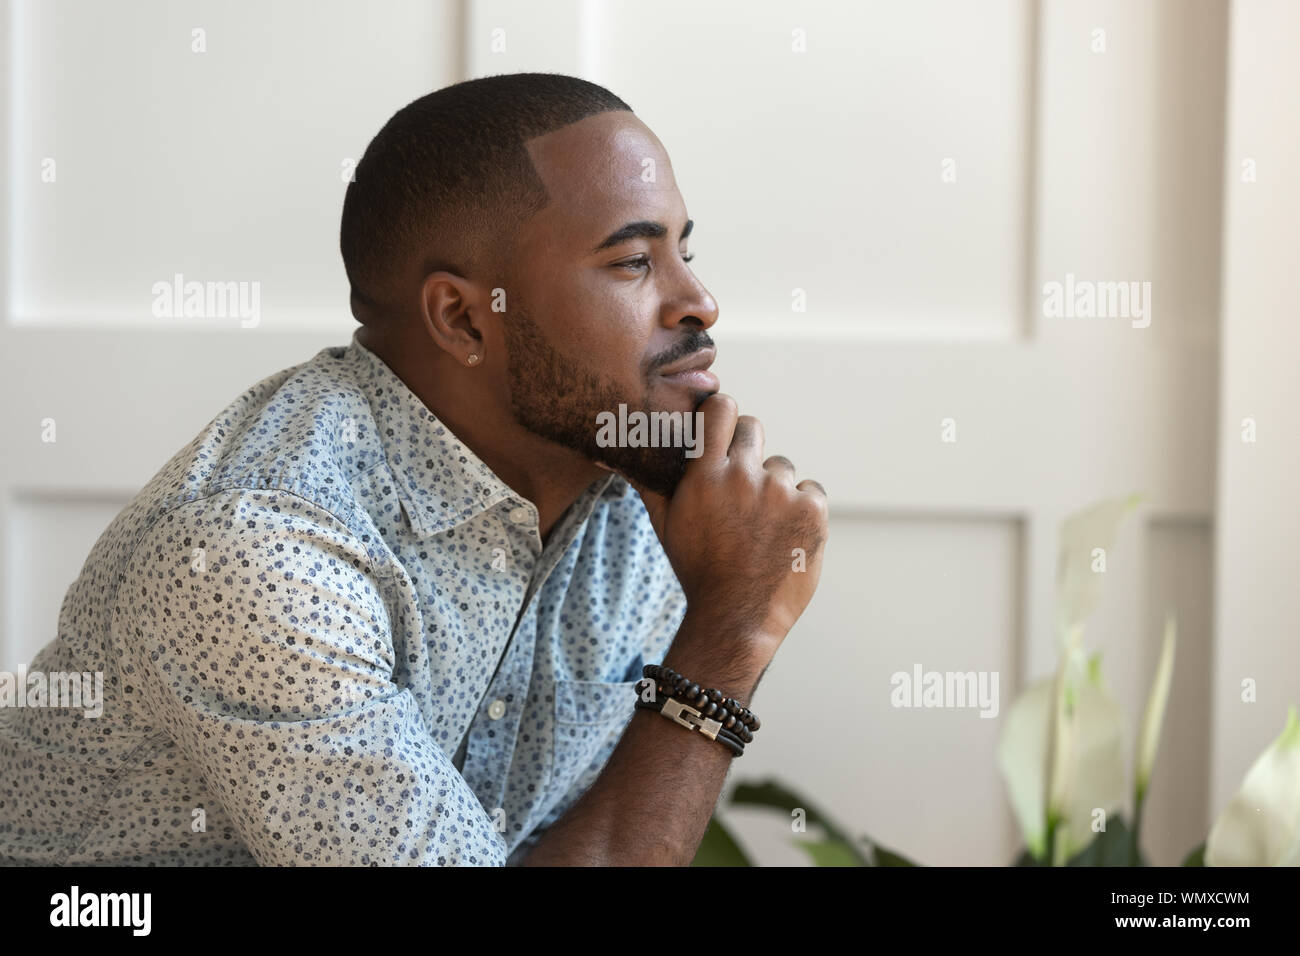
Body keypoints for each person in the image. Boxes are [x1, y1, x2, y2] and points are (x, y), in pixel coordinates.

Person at [0, 72, 827, 866]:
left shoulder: (638, 493)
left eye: (683, 249)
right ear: (465, 318)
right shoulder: (258, 556)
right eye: (631, 262)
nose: (701, 301)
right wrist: (729, 633)